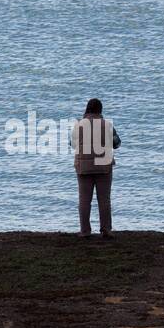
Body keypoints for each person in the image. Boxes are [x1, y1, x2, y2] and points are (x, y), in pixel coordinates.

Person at [71, 98, 121, 238]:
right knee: (104, 199)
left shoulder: (79, 125)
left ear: (87, 109)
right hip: (103, 166)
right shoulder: (107, 125)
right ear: (100, 110)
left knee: (84, 200)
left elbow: (73, 144)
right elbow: (117, 144)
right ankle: (106, 229)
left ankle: (85, 231)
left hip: (84, 168)